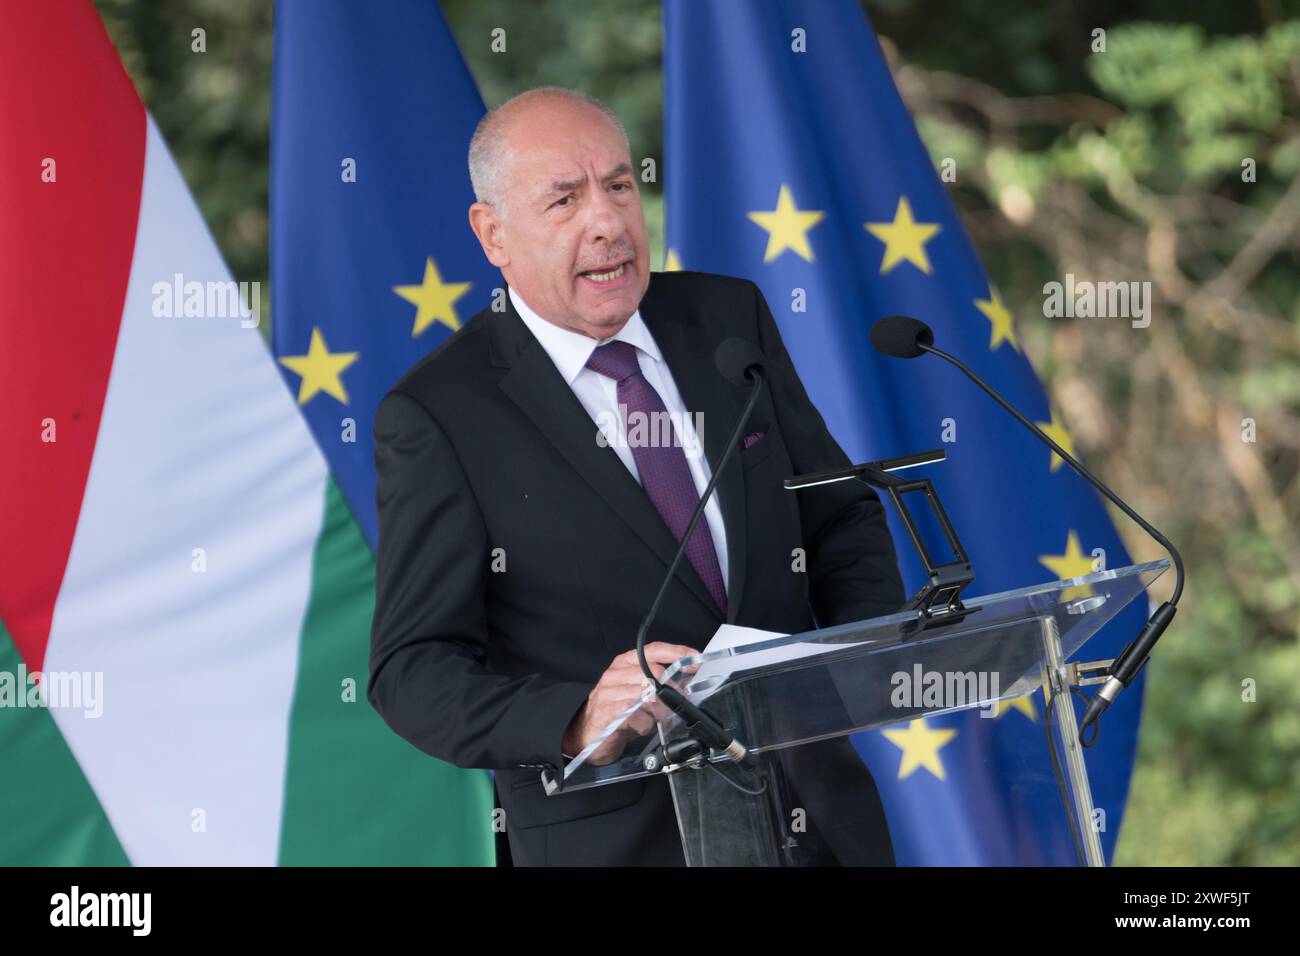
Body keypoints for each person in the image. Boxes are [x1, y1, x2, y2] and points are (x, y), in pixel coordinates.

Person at [368, 87, 904, 866]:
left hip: (814, 820)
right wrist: (576, 719)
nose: (608, 221)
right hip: (621, 841)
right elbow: (411, 670)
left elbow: (837, 516)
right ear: (494, 235)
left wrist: (858, 668)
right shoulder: (440, 414)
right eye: (564, 200)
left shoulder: (728, 320)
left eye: (620, 185)